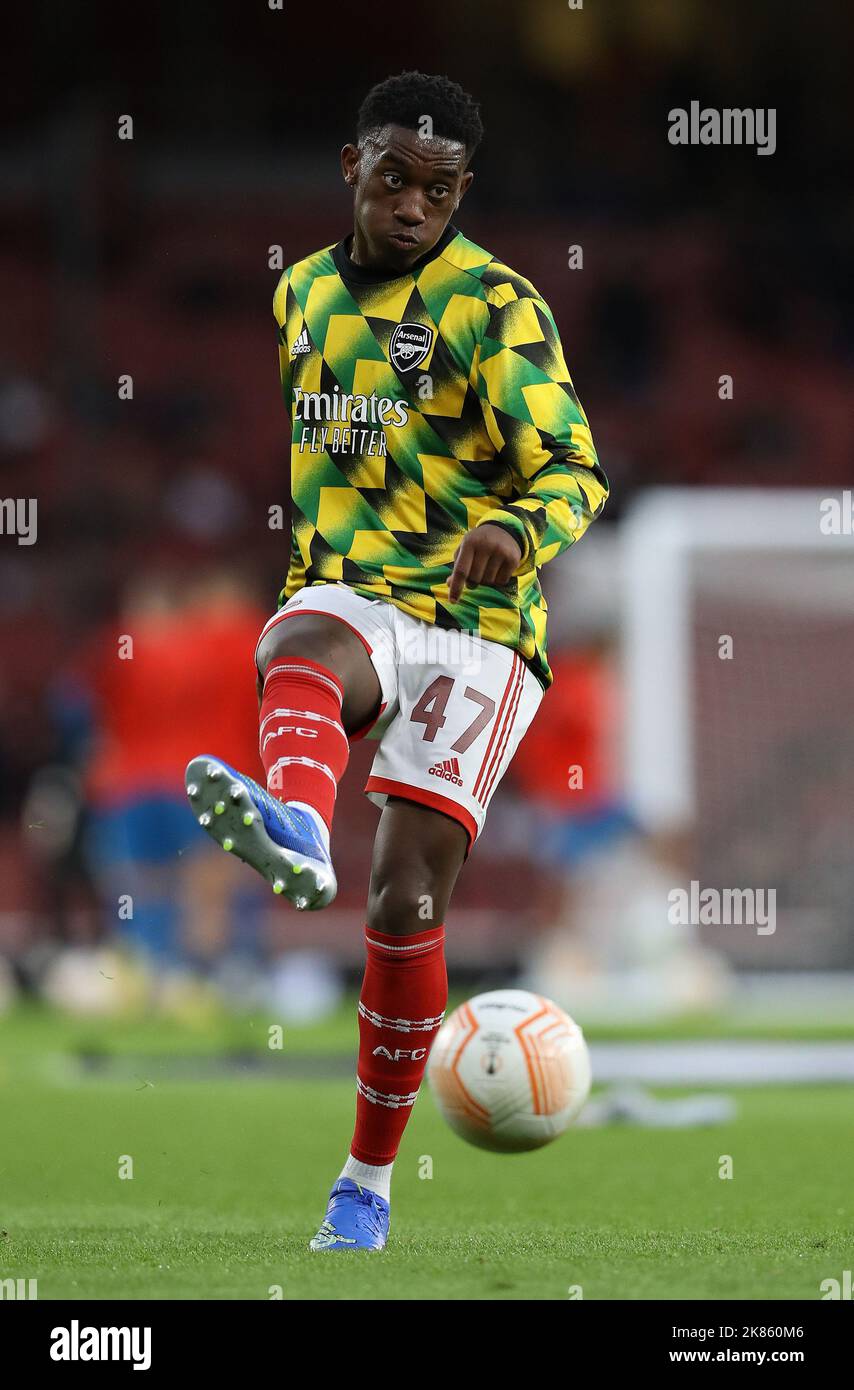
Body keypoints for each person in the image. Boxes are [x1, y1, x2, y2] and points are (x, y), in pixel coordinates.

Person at [185, 71, 608, 1250]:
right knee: (304, 643)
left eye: (439, 187)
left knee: (406, 896)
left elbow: (575, 469)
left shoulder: (497, 305)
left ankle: (364, 1184)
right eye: (393, 177)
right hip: (356, 590)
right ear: (349, 168)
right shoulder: (299, 296)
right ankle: (300, 824)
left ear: (462, 191)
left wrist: (515, 530)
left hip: (480, 623)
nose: (414, 204)